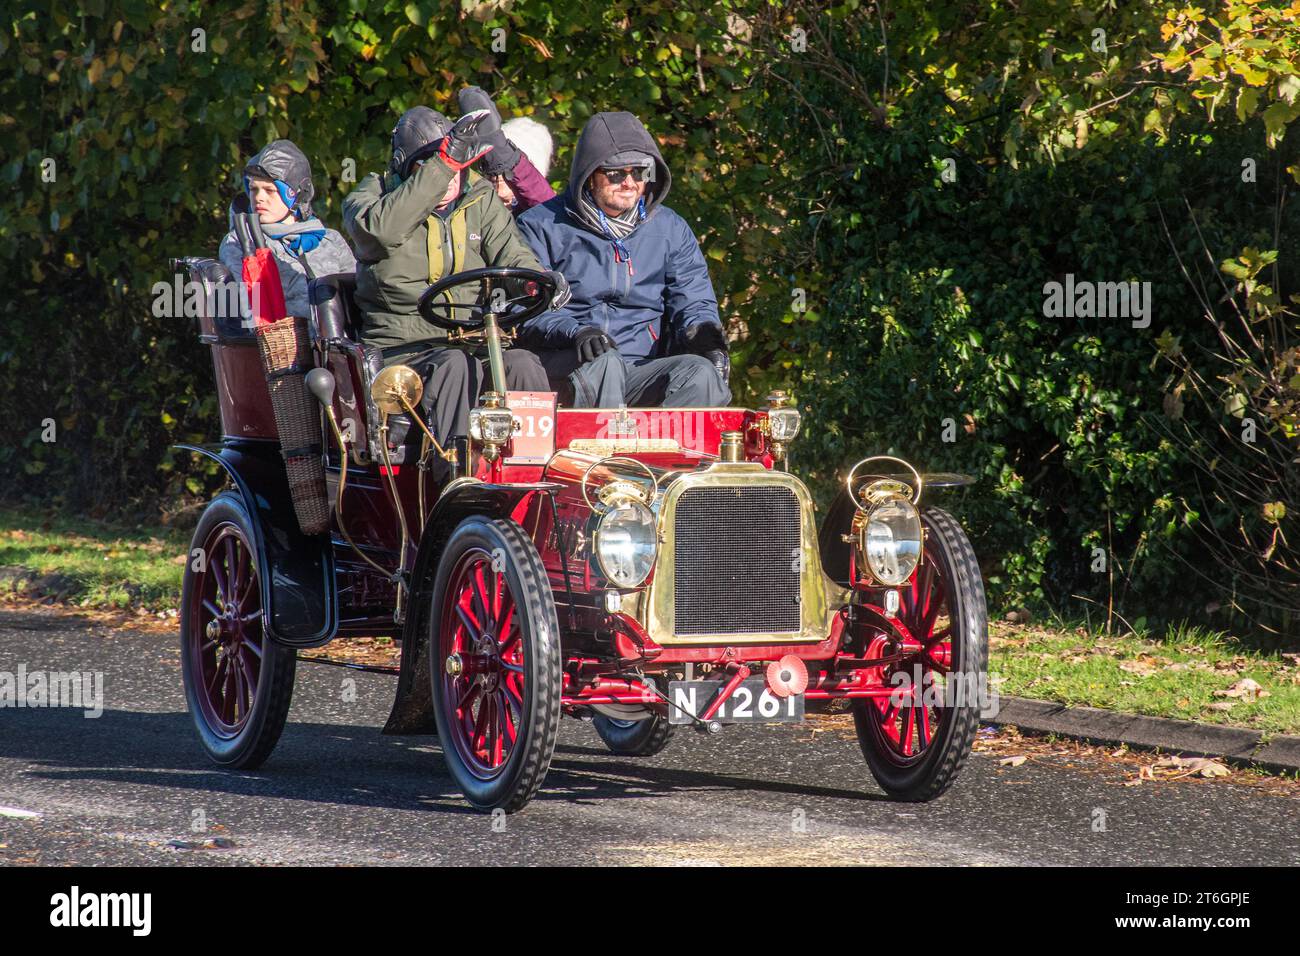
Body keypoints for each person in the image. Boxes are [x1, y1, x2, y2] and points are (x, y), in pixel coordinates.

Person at [342, 103, 569, 467]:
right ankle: (454, 480)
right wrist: (444, 163)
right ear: (405, 166)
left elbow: (513, 254)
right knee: (454, 365)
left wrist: (536, 285)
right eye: (430, 165)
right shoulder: (373, 197)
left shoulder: (480, 197)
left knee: (523, 363)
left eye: (456, 166)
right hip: (404, 349)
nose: (447, 178)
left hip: (474, 340)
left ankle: (536, 476)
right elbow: (377, 234)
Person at [515, 111, 731, 409]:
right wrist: (575, 332)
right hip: (569, 363)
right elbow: (524, 308)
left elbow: (694, 301)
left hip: (641, 365)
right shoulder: (540, 225)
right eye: (616, 173)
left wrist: (708, 342)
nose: (629, 183)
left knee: (701, 372)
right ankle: (603, 456)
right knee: (605, 363)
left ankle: (675, 456)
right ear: (589, 175)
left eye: (640, 172)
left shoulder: (670, 228)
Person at [217, 140, 356, 319]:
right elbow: (252, 311)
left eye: (270, 190)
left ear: (296, 195)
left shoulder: (331, 239)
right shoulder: (241, 243)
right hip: (284, 342)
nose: (259, 198)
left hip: (341, 342)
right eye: (253, 189)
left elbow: (359, 296)